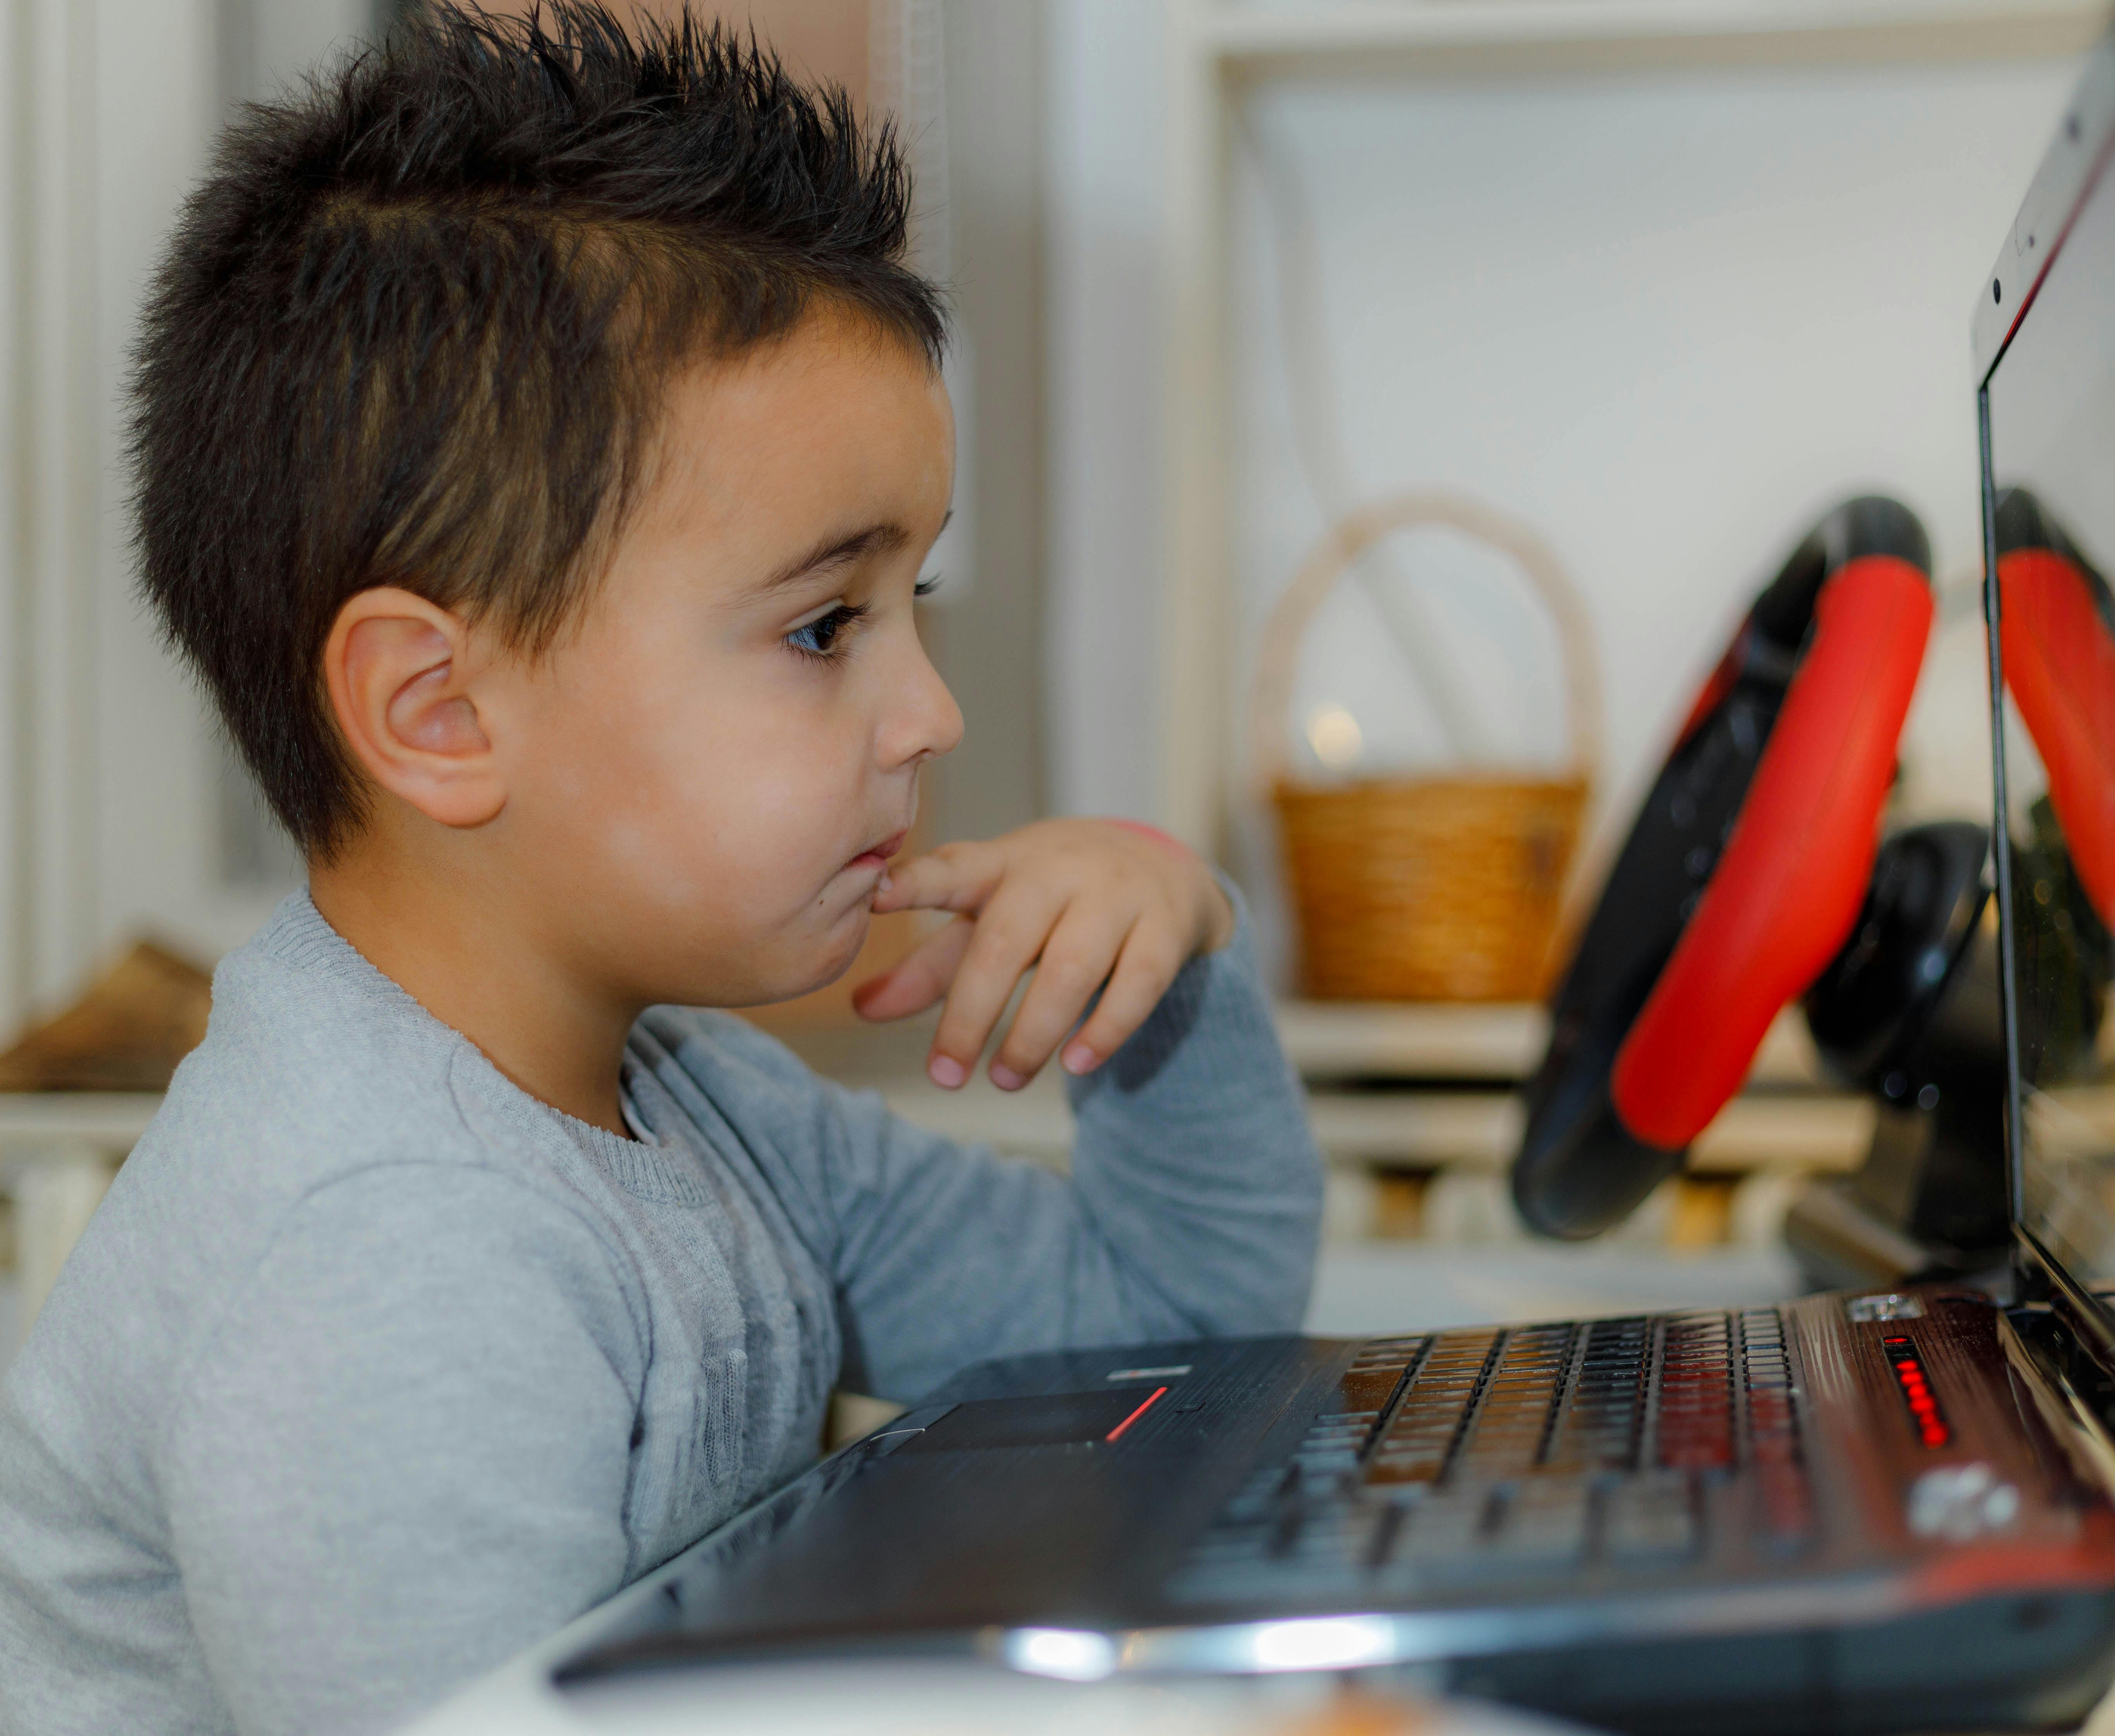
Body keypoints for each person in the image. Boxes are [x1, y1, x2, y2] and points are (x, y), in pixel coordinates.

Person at [0, 8, 1321, 1733]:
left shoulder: (695, 1098)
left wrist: (1163, 968)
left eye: (911, 603)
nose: (926, 713)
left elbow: (1167, 1331)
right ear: (440, 711)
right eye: (823, 622)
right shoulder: (385, 1255)